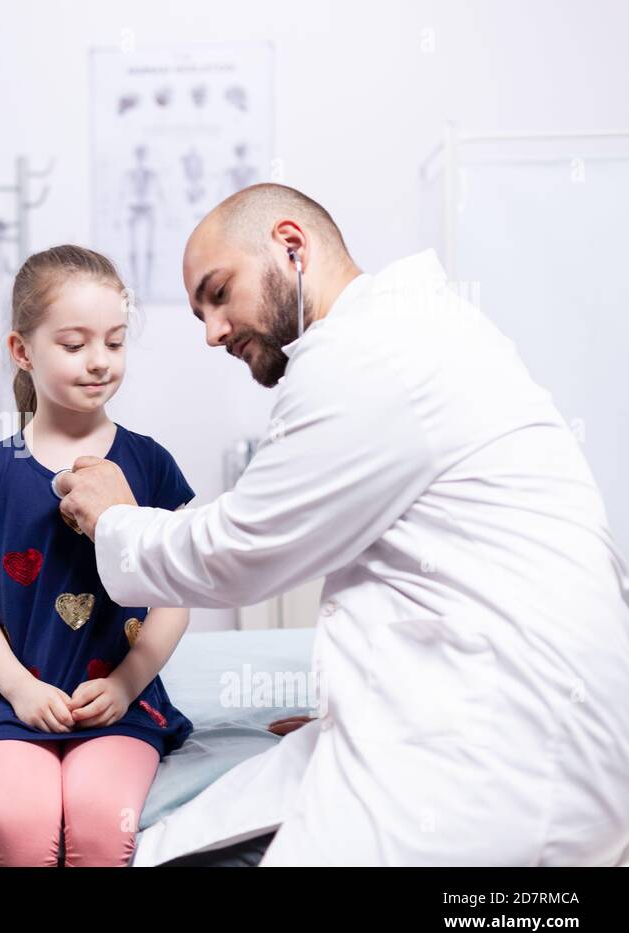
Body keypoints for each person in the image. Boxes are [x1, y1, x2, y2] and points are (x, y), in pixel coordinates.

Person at [59, 183, 629, 866]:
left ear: (291, 247)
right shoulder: (414, 330)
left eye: (219, 293)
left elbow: (239, 551)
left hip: (508, 765)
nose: (213, 332)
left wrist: (115, 517)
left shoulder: (370, 355)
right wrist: (357, 707)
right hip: (510, 715)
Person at [0, 245, 195, 866]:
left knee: (101, 825)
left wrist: (127, 684)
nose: (100, 360)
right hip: (10, 700)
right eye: (75, 345)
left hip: (119, 703)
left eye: (115, 342)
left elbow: (175, 598)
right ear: (22, 351)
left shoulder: (150, 464)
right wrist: (21, 689)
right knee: (22, 826)